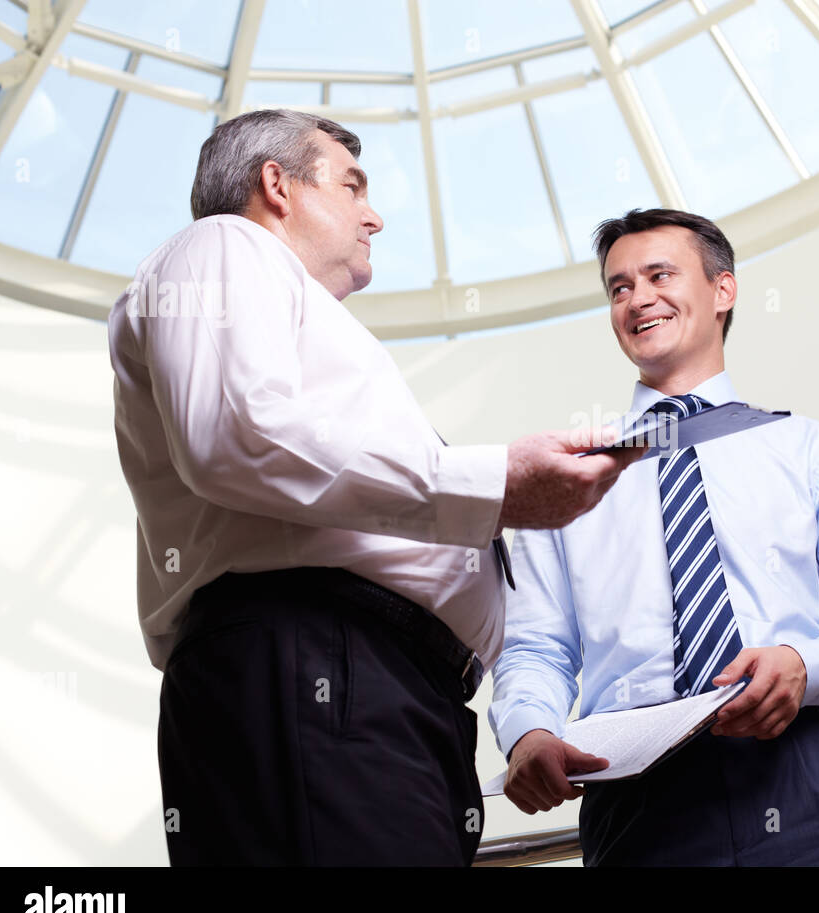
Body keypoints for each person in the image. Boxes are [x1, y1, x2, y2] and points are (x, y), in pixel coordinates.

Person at [107, 109, 641, 866]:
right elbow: (238, 435)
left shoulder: (290, 312)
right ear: (276, 186)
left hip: (380, 692)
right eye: (352, 185)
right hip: (317, 669)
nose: (374, 215)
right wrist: (496, 485)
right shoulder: (224, 244)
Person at [488, 208, 819, 866]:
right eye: (619, 287)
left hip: (807, 775)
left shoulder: (810, 450)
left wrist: (806, 667)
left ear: (724, 290)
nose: (638, 299)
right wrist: (529, 732)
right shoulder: (569, 477)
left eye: (660, 275)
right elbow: (537, 647)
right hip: (636, 799)